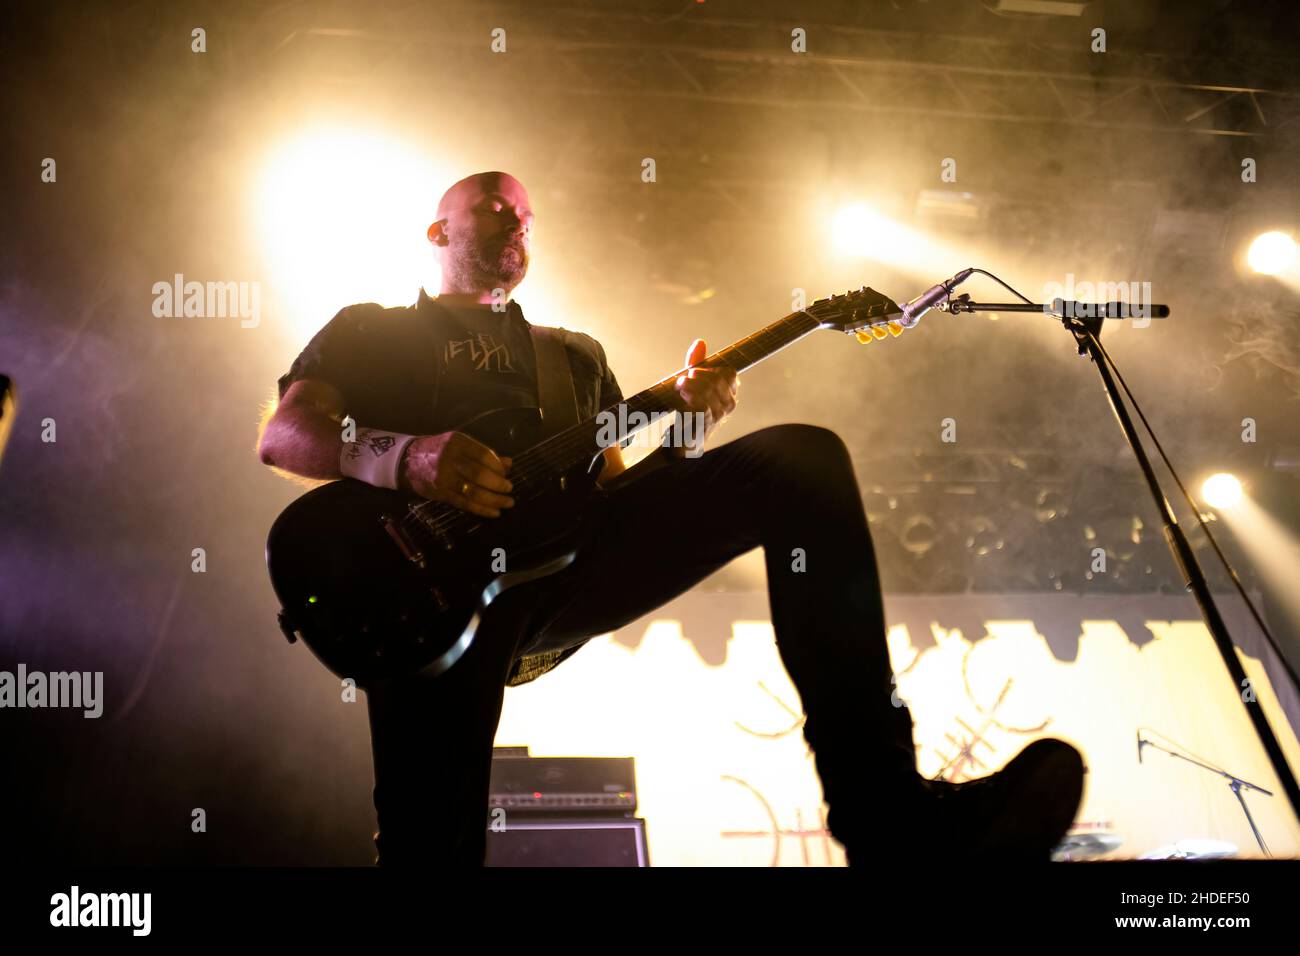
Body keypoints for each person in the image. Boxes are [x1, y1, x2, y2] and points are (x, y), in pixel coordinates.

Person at [258, 170, 1086, 867]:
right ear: (438, 228)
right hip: (420, 592)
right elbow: (286, 433)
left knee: (801, 461)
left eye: (528, 214)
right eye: (494, 205)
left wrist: (686, 432)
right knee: (430, 849)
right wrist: (409, 458)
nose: (517, 220)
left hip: (558, 573)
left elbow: (614, 499)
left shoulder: (572, 355)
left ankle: (889, 818)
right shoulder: (374, 330)